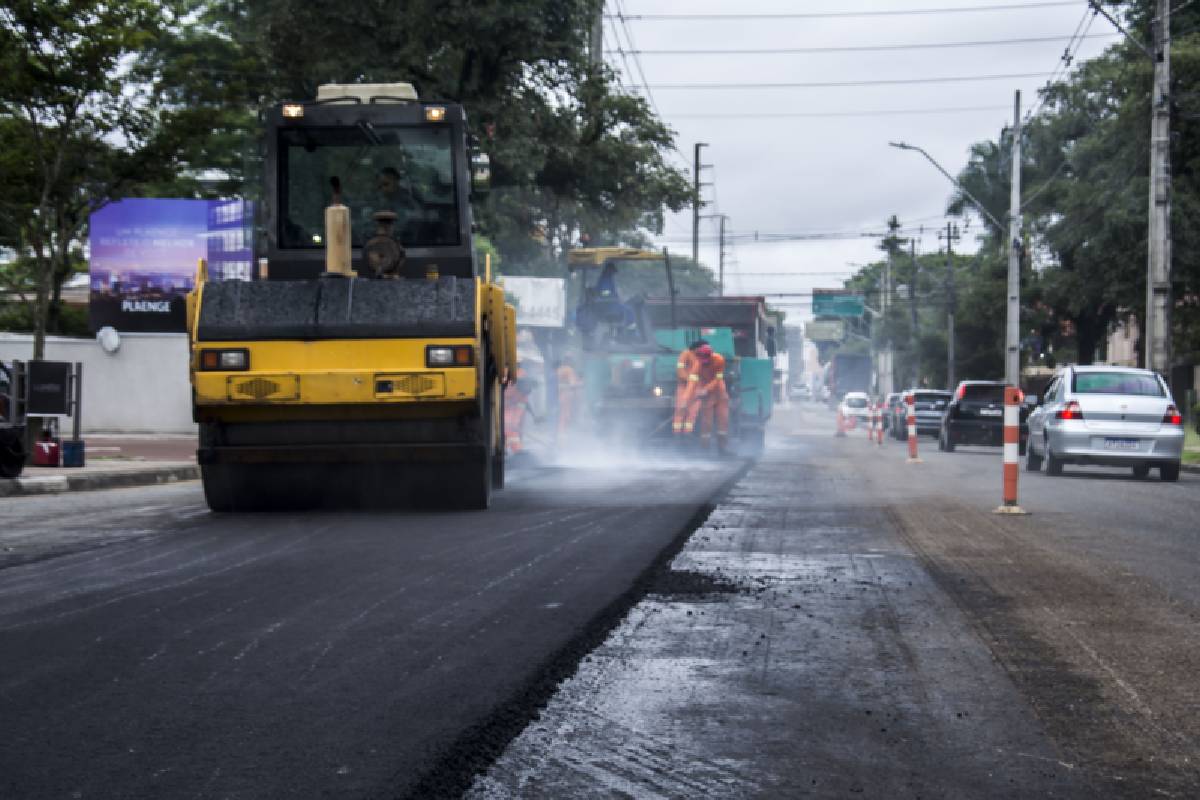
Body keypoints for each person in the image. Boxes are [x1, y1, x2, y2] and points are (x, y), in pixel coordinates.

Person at [689, 343, 729, 454]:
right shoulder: (697, 364)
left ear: (710, 356)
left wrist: (706, 389)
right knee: (706, 423)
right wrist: (696, 392)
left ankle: (722, 449)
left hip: (720, 393)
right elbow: (693, 381)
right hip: (707, 396)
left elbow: (718, 379)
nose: (705, 363)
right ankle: (705, 449)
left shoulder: (719, 360)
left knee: (723, 421)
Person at [672, 339, 707, 437]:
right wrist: (689, 380)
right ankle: (677, 434)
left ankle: (688, 433)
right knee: (681, 410)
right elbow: (680, 370)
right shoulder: (686, 354)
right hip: (684, 387)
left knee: (693, 412)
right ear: (698, 347)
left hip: (697, 389)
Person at [556, 355, 582, 443]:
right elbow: (572, 384)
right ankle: (564, 439)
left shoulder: (559, 369)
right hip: (567, 396)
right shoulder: (569, 370)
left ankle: (561, 437)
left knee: (562, 417)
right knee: (566, 417)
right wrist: (581, 383)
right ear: (570, 361)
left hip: (560, 395)